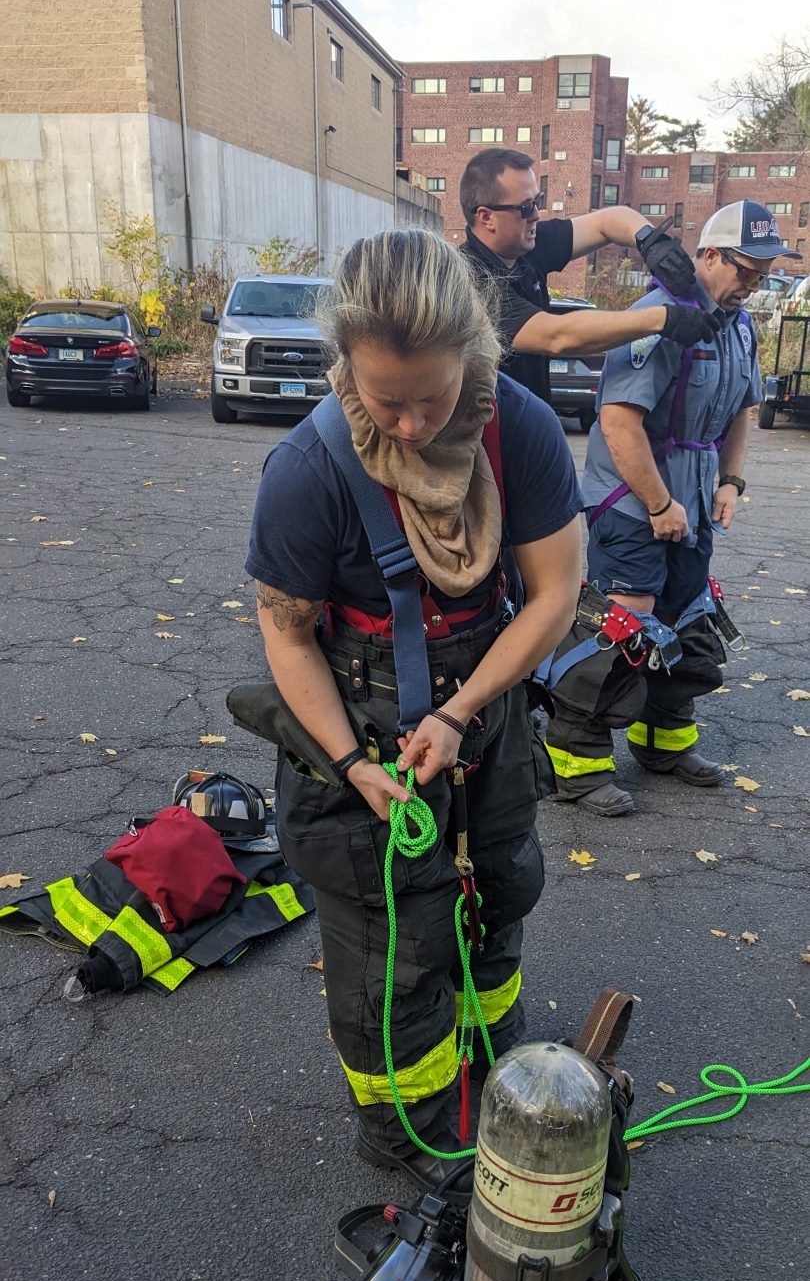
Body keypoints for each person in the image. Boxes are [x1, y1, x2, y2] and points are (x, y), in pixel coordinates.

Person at [244, 228, 583, 1195]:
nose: (407, 423)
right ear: (346, 365)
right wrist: (355, 766)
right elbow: (288, 637)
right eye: (384, 399)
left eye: (431, 397)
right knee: (391, 951)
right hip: (359, 723)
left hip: (485, 710)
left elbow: (555, 595)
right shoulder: (308, 472)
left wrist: (464, 712)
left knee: (498, 896)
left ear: (474, 351)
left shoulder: (515, 428)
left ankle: (491, 1075)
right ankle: (412, 1135)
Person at [542, 200, 801, 816]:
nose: (753, 283)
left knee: (687, 621)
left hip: (694, 508)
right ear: (707, 255)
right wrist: (658, 503)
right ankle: (576, 764)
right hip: (634, 507)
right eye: (744, 268)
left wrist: (732, 481)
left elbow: (740, 409)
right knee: (620, 632)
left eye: (763, 273)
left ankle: (663, 742)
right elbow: (618, 421)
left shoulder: (739, 327)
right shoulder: (654, 318)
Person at [459, 148, 718, 405]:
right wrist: (663, 318)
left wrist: (650, 240)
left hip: (531, 425)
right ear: (486, 217)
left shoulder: (528, 246)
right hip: (487, 437)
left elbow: (605, 222)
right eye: (526, 207)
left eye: (539, 200)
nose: (537, 214)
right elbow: (556, 336)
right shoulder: (468, 280)